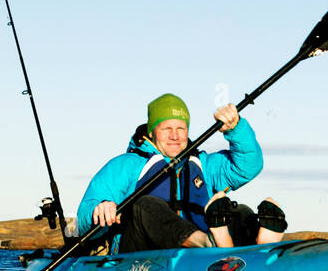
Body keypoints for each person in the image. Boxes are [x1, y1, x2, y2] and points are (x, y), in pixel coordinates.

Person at [76, 93, 287, 253]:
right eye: (167, 129)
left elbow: (249, 166)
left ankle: (261, 249)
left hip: (195, 260)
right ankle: (210, 244)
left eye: (181, 128)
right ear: (152, 132)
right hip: (141, 254)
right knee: (145, 206)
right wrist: (100, 209)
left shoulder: (203, 164)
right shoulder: (125, 165)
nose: (175, 136)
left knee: (239, 211)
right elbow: (84, 216)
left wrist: (236, 128)